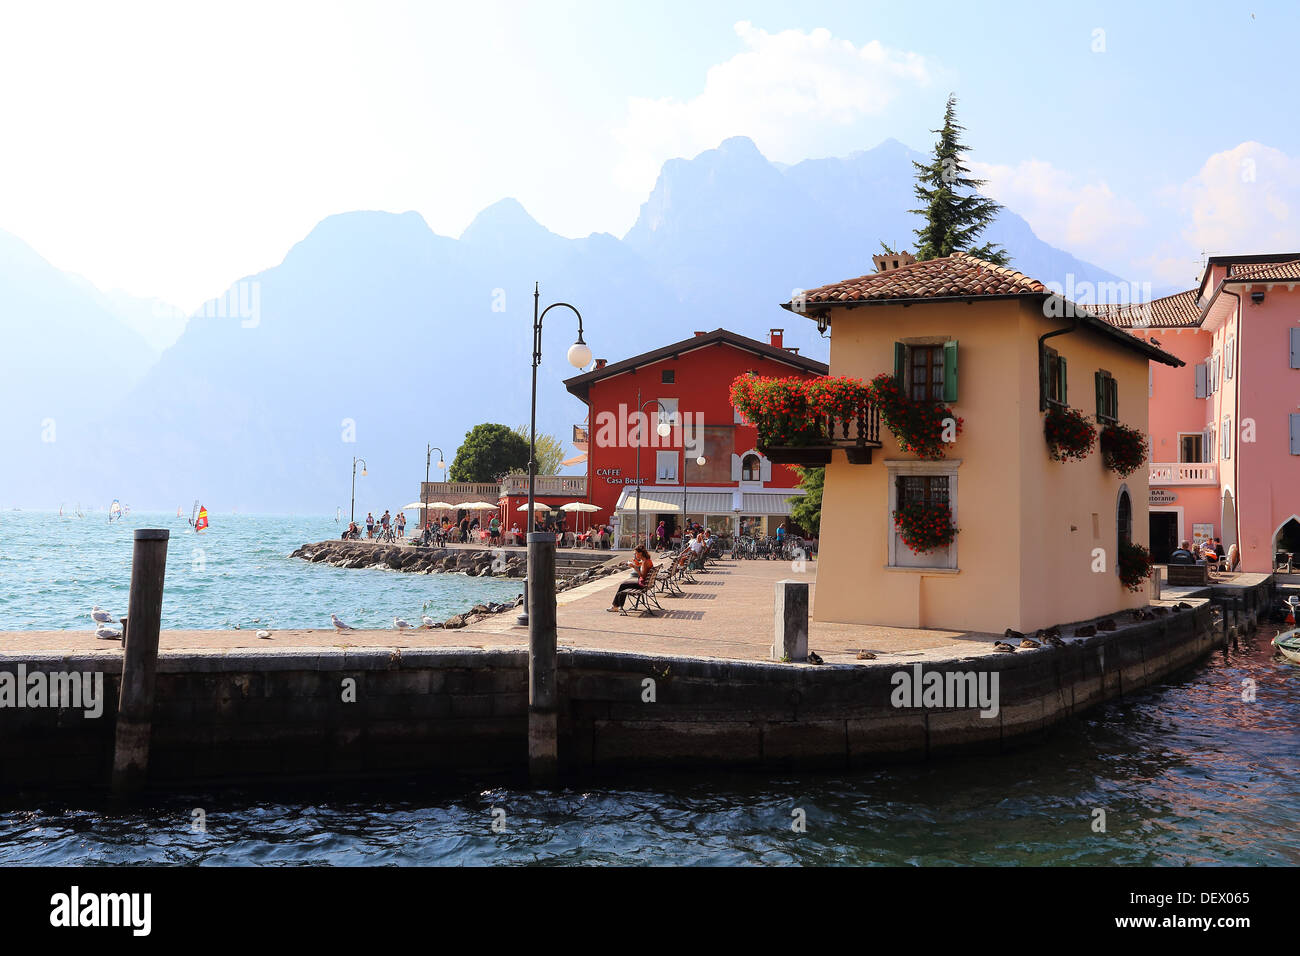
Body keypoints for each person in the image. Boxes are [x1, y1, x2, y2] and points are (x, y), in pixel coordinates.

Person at [607, 545, 654, 611]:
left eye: (636, 553)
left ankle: (615, 606)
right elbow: (639, 564)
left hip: (642, 585)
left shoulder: (645, 562)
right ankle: (618, 605)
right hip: (646, 583)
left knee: (623, 585)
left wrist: (635, 568)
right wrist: (635, 563)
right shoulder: (646, 560)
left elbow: (642, 576)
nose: (635, 555)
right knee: (624, 584)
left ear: (640, 553)